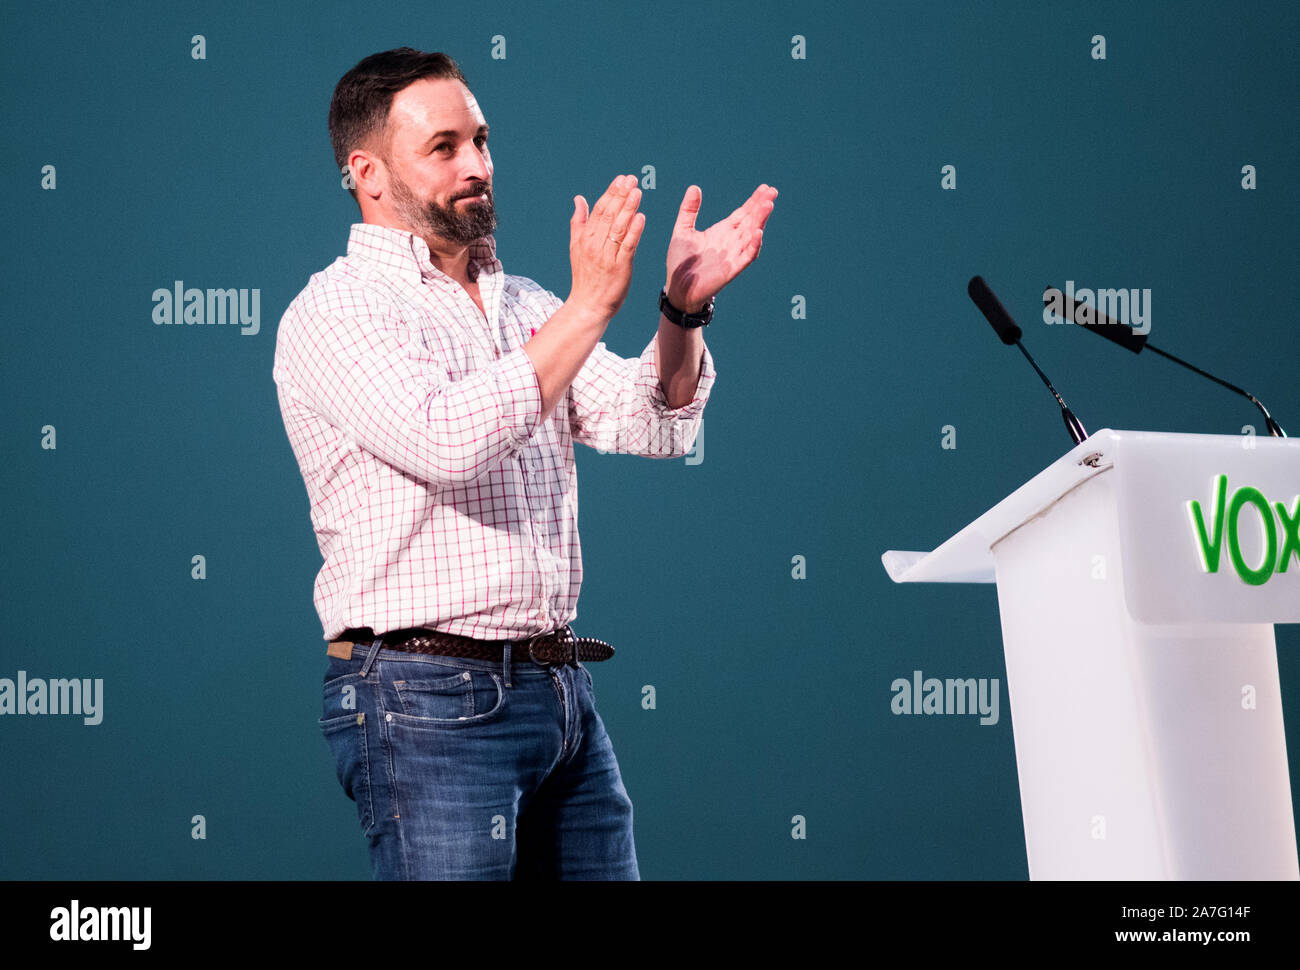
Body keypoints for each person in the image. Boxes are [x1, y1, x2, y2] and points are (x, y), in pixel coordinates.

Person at [272, 47, 777, 880]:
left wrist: (680, 311)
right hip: (423, 701)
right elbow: (445, 439)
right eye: (444, 147)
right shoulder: (334, 310)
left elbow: (655, 423)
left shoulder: (526, 304)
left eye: (482, 140)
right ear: (366, 172)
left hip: (559, 693)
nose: (476, 165)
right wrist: (586, 311)